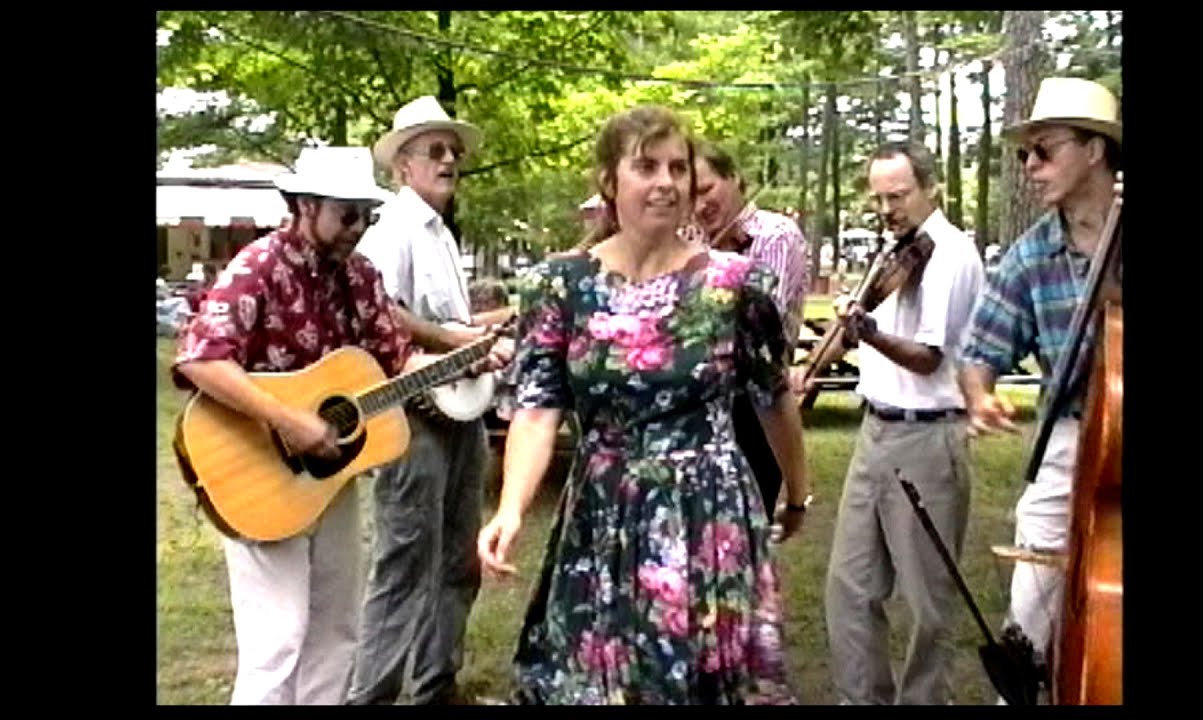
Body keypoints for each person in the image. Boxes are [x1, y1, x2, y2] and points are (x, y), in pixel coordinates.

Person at [476, 105, 811, 705]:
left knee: (702, 681)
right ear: (609, 180)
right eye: (646, 166)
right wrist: (510, 509)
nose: (666, 182)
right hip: (602, 513)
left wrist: (795, 492)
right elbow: (536, 407)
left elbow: (773, 396)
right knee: (595, 679)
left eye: (678, 168)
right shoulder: (561, 284)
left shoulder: (735, 285)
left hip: (708, 513)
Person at [171, 146, 427, 705]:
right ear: (305, 205)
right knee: (277, 644)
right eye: (346, 213)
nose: (356, 228)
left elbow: (394, 360)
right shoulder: (257, 267)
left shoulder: (361, 277)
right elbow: (201, 358)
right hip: (255, 472)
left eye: (366, 215)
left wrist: (466, 359)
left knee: (336, 633)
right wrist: (288, 421)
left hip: (328, 480)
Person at [799, 141, 985, 704]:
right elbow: (860, 331)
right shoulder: (892, 250)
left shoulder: (951, 255)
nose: (887, 209)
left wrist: (869, 332)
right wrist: (810, 367)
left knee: (930, 603)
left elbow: (929, 357)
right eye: (879, 199)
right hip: (875, 431)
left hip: (928, 436)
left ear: (931, 188)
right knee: (849, 588)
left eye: (898, 196)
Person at [346, 95, 514, 706]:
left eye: (454, 151)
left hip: (458, 414)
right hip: (409, 418)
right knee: (404, 564)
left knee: (457, 559)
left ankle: (433, 687)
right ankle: (372, 696)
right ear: (402, 168)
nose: (449, 160)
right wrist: (454, 339)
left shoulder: (440, 232)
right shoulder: (391, 230)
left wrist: (483, 331)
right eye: (435, 151)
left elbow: (449, 321)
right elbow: (380, 312)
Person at [957, 77, 1123, 693]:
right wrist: (980, 396)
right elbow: (979, 352)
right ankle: (1027, 679)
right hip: (1075, 434)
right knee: (1032, 594)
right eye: (1026, 154)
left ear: (1095, 151)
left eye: (1045, 150)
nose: (1030, 165)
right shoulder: (1030, 256)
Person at [692, 140, 808, 520]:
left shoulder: (774, 234)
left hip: (754, 405)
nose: (700, 205)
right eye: (690, 196)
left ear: (735, 177)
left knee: (743, 530)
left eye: (707, 189)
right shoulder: (694, 243)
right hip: (704, 405)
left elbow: (759, 321)